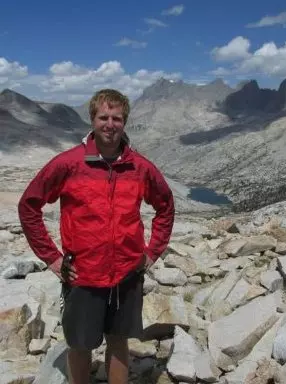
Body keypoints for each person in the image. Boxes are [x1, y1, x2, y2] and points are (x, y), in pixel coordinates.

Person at [18, 88, 175, 384]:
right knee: (79, 344)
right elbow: (29, 206)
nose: (110, 124)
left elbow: (165, 205)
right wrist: (51, 258)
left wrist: (152, 252)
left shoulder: (139, 167)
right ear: (92, 119)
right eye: (103, 117)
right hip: (83, 275)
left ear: (124, 122)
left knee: (118, 341)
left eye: (117, 118)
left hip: (128, 273)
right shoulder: (69, 164)